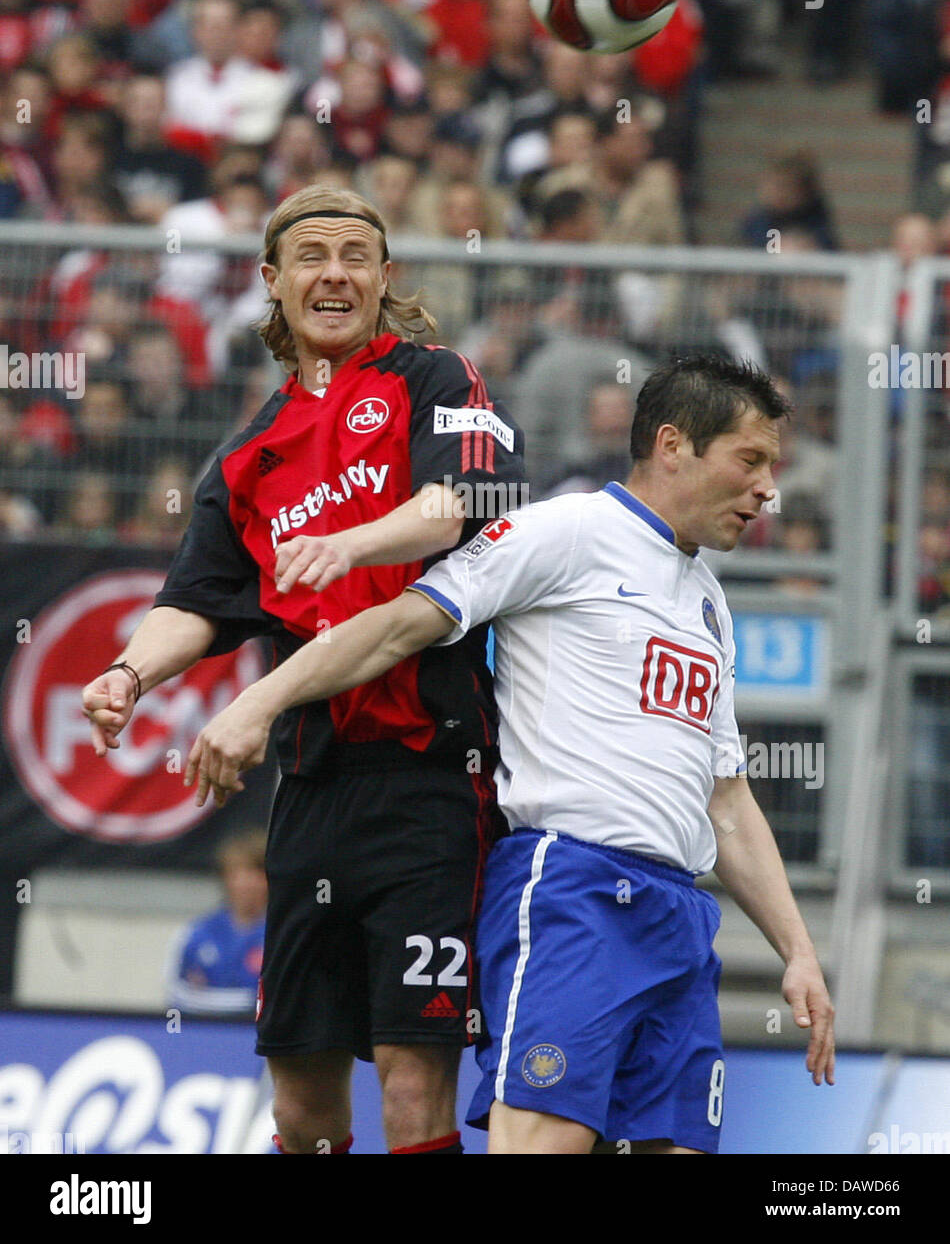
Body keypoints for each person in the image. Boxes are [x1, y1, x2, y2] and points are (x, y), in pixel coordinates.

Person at [180, 354, 836, 1155]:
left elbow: (727, 800)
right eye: (751, 459)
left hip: (681, 917)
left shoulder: (709, 603)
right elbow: (395, 626)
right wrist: (258, 703)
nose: (769, 487)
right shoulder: (562, 530)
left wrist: (797, 952)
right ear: (673, 444)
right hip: (575, 894)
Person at [81, 183, 526, 1156]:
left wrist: (353, 541)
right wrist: (128, 673)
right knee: (300, 1108)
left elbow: (470, 498)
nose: (335, 273)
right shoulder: (247, 450)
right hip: (310, 788)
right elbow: (195, 600)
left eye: (356, 255)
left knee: (412, 1085)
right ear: (271, 282)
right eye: (312, 256)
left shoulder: (435, 379)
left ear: (384, 278)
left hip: (430, 785)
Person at [165, 830, 268, 1017]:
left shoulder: (281, 938)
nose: (245, 884)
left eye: (254, 874)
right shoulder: (194, 934)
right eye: (236, 874)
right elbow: (176, 996)